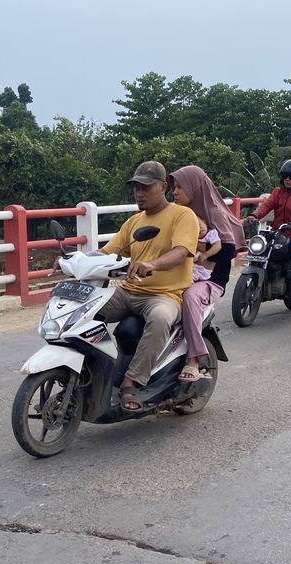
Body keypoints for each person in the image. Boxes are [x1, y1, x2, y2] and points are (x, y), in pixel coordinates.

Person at [99, 160, 199, 411]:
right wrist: (73, 260)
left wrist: (152, 264)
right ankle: (93, 368)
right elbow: (106, 252)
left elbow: (181, 252)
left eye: (145, 187)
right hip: (127, 291)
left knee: (160, 318)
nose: (139, 193)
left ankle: (131, 382)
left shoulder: (182, 215)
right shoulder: (133, 222)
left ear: (163, 186)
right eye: (135, 188)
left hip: (164, 295)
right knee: (87, 310)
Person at [168, 164, 246, 382]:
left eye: (180, 188)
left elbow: (228, 251)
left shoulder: (215, 214)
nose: (174, 193)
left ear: (194, 189)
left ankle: (194, 360)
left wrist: (199, 249)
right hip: (181, 273)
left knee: (190, 297)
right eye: (174, 188)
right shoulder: (178, 214)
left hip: (210, 280)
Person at [246, 159, 291, 303]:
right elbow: (266, 205)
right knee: (259, 249)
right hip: (279, 231)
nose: (287, 180)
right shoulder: (278, 192)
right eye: (285, 176)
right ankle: (259, 276)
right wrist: (254, 215)